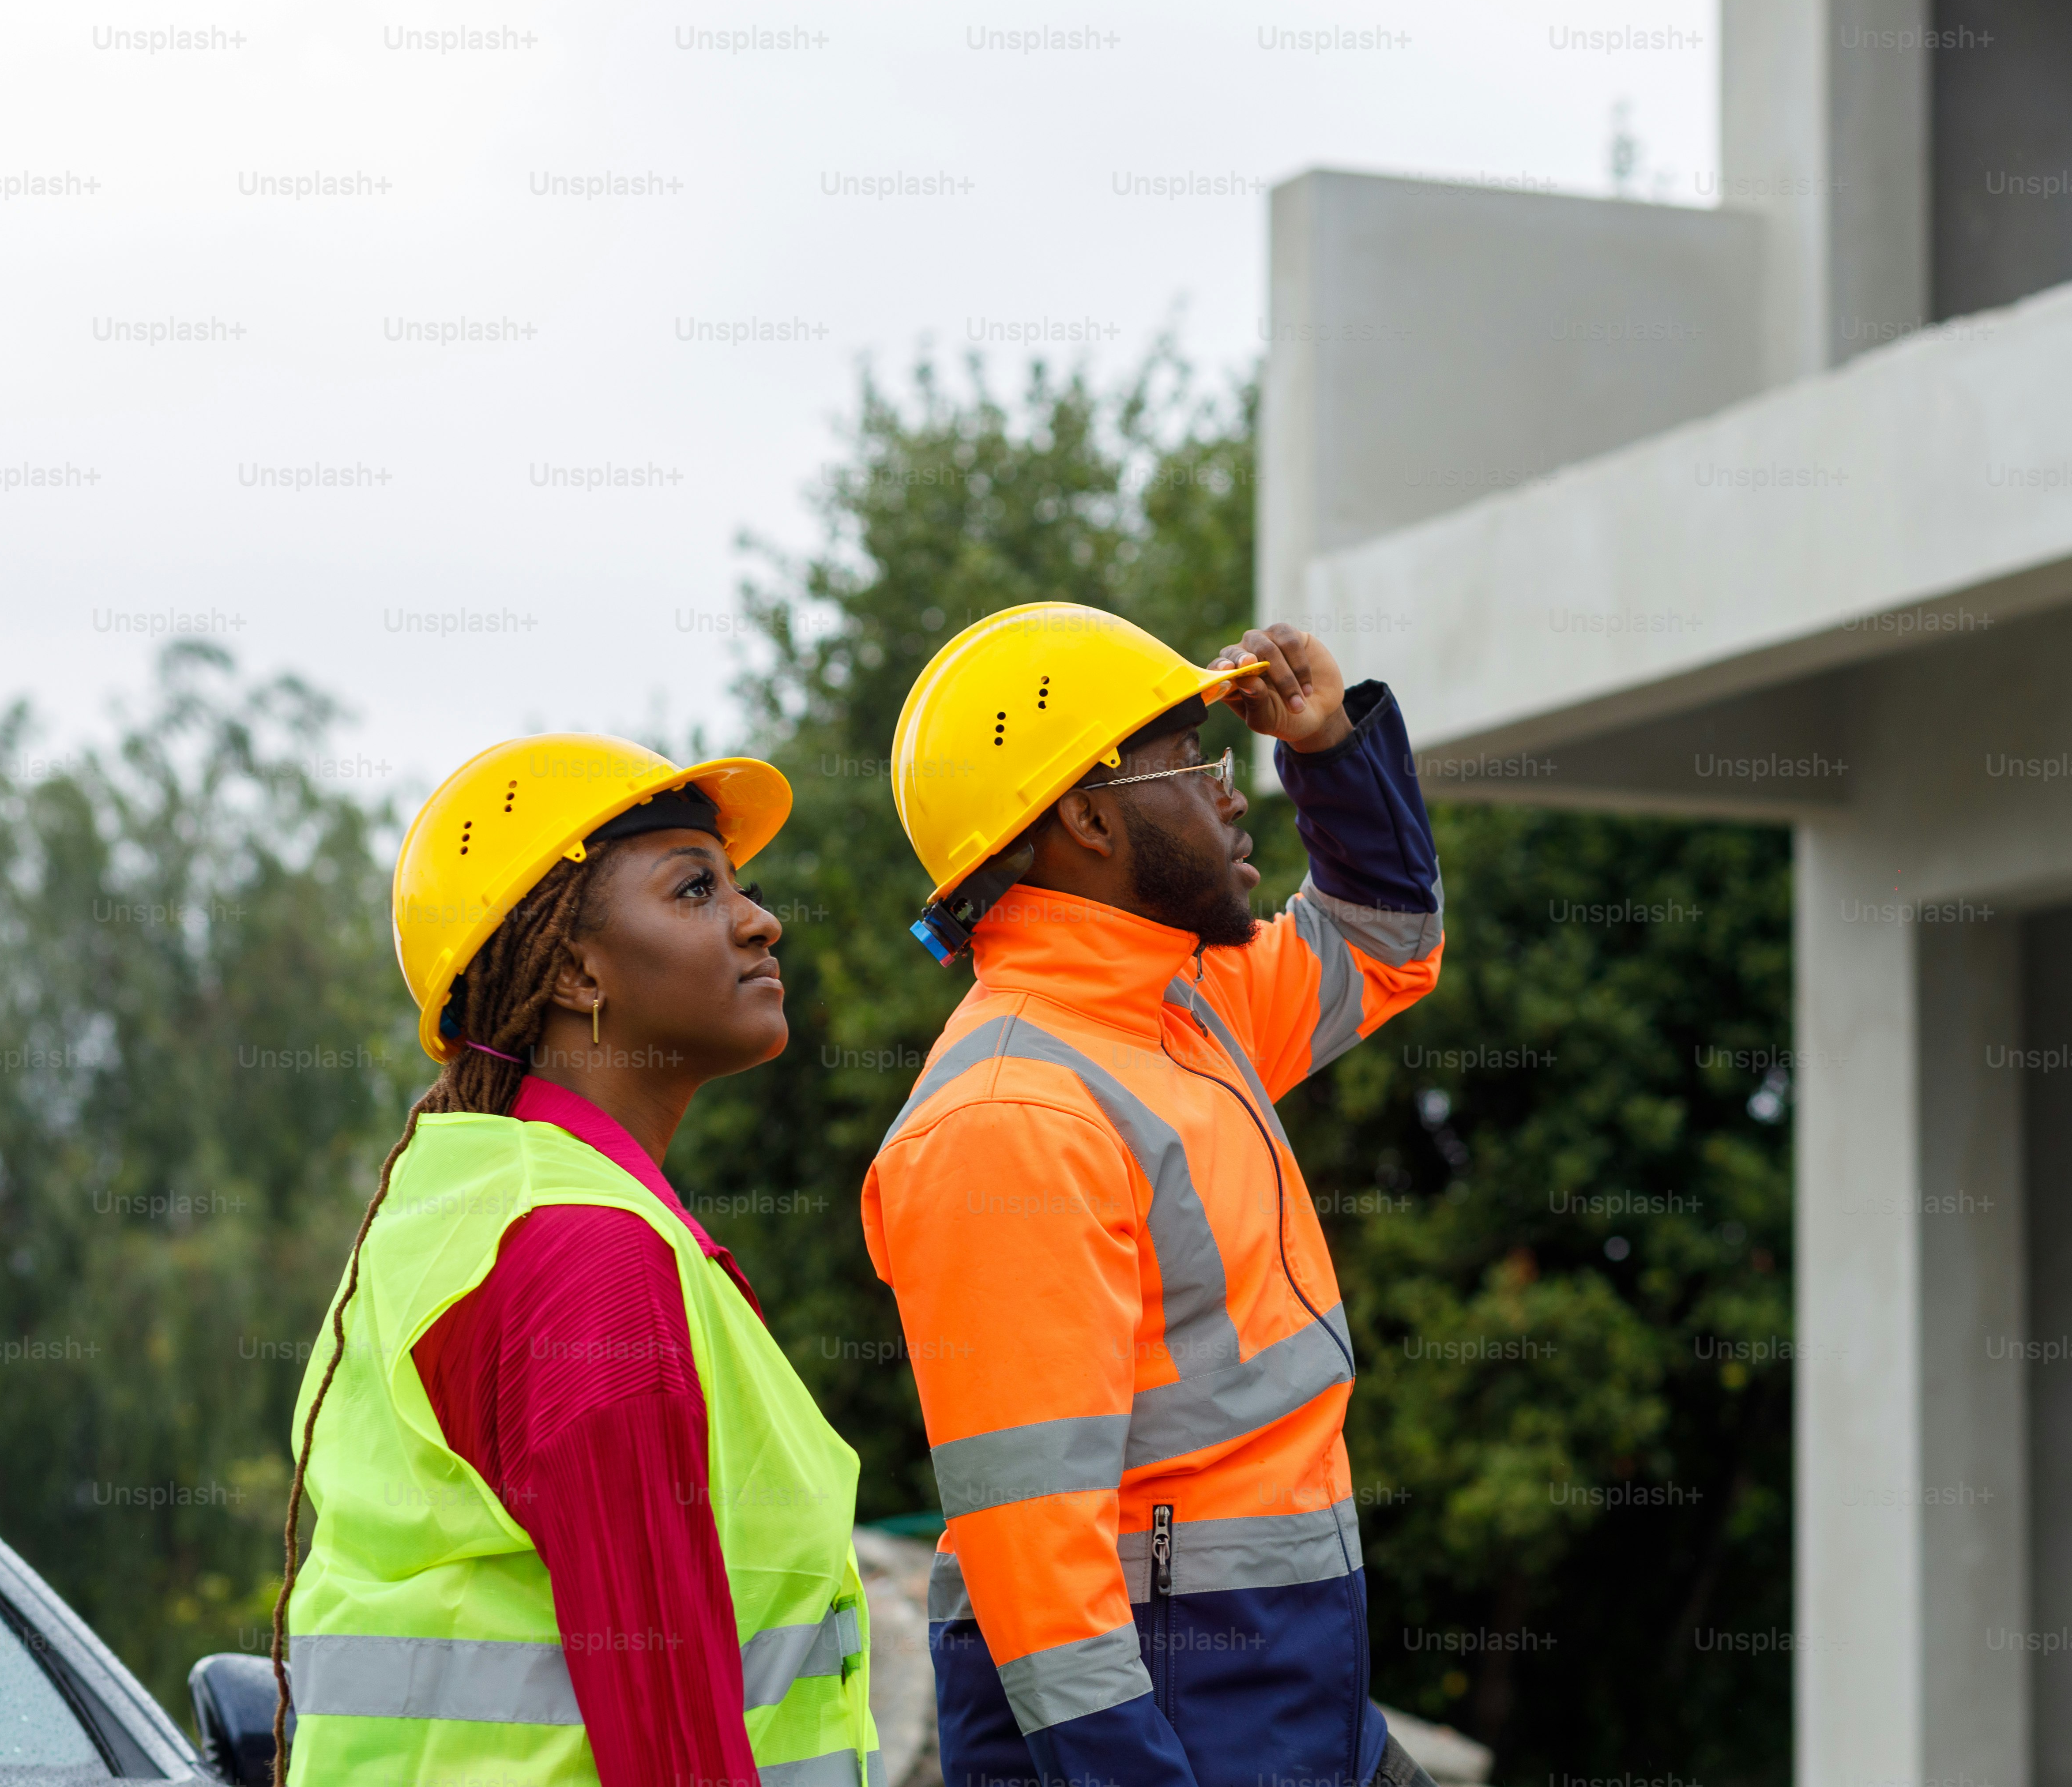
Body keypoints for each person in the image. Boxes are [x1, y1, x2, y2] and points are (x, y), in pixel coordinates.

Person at [862, 604, 1447, 1787]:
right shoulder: (1013, 1114)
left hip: (1277, 1685)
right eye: (1197, 761)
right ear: (1082, 816)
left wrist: (1327, 747)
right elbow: (1035, 1560)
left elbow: (1387, 942)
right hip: (1164, 1715)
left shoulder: (1177, 1009)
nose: (1236, 796)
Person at [269, 734, 876, 1787]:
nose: (759, 920)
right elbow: (664, 1726)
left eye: (743, 886)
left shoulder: (478, 1204)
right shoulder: (582, 1250)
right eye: (694, 889)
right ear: (570, 969)